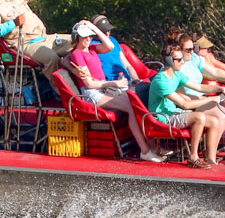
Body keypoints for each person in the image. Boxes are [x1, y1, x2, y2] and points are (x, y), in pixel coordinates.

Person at [149, 44, 225, 169]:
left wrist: (219, 88)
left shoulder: (177, 74)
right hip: (164, 117)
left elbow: (199, 87)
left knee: (214, 121)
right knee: (199, 117)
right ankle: (193, 157)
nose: (182, 62)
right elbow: (184, 104)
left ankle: (211, 159)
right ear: (169, 61)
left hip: (175, 112)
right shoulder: (161, 80)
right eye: (179, 60)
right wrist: (211, 99)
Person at [67, 20, 164, 163]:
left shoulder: (93, 49)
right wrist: (114, 83)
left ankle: (151, 146)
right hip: (91, 93)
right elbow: (89, 83)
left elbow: (110, 45)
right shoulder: (78, 54)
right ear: (76, 37)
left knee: (135, 103)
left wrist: (92, 26)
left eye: (89, 36)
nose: (88, 39)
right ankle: (145, 150)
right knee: (131, 107)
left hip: (102, 89)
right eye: (84, 36)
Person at [90, 14, 151, 105]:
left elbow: (127, 65)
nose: (107, 33)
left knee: (155, 84)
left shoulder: (113, 40)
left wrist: (136, 80)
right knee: (144, 94)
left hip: (127, 81)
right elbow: (108, 46)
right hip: (113, 85)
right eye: (104, 31)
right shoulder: (93, 45)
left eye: (108, 30)